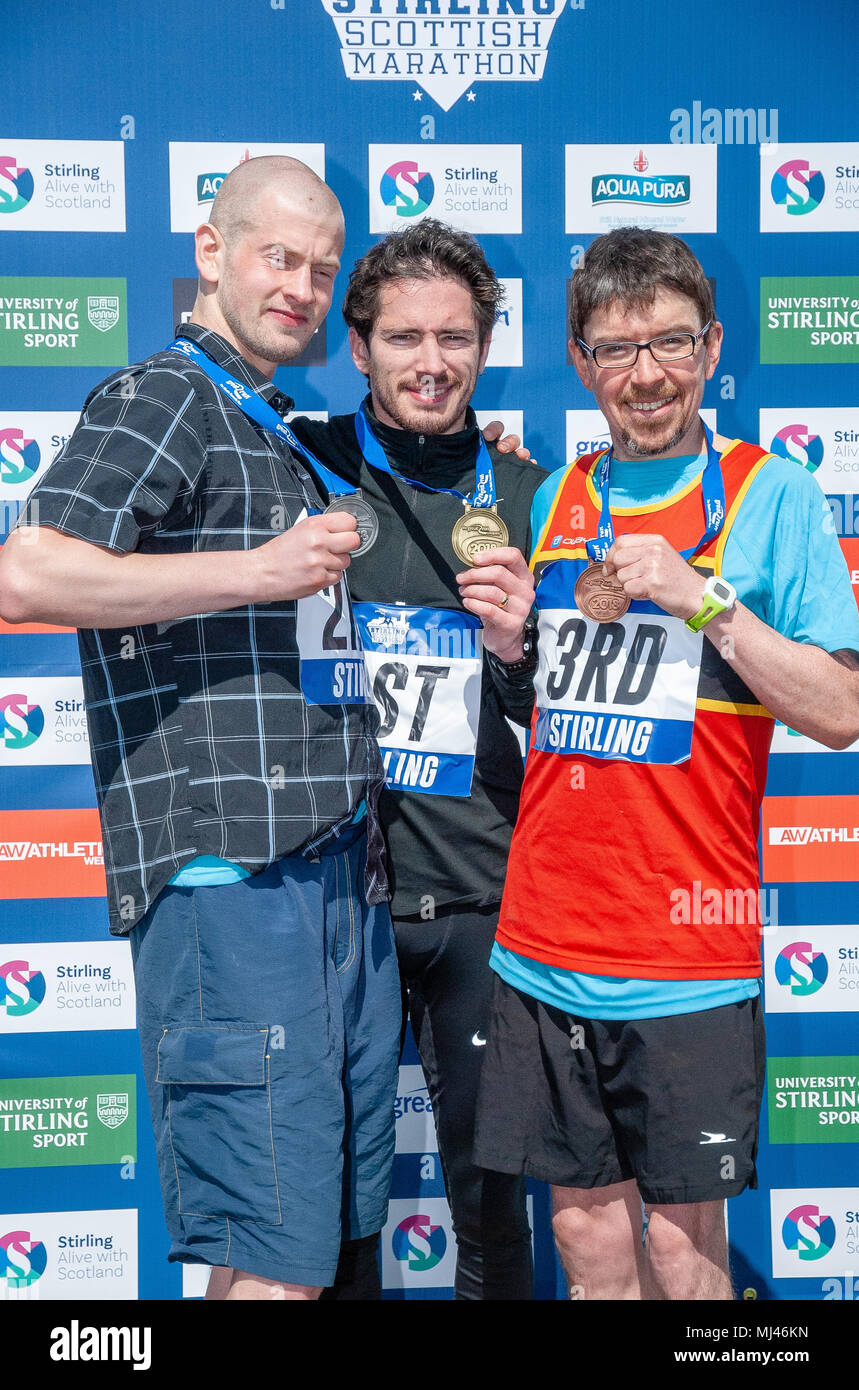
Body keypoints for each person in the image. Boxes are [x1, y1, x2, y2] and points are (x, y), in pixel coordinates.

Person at [0, 156, 403, 1302]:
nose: (303, 288)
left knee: (307, 1250)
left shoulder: (273, 422)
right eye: (280, 258)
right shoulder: (164, 394)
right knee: (269, 1265)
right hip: (233, 878)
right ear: (211, 251)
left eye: (323, 270)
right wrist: (259, 570)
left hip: (332, 871)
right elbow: (28, 574)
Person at [473, 227, 859, 1300]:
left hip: (685, 948)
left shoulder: (772, 494)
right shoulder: (553, 498)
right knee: (590, 1247)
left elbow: (840, 712)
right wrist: (512, 649)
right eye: (613, 349)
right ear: (581, 360)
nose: (644, 375)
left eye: (669, 343)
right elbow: (548, 704)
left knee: (686, 1255)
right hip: (543, 937)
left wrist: (705, 597)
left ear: (712, 346)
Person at [288, 218, 545, 1299]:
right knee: (333, 1205)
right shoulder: (294, 461)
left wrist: (522, 647)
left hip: (482, 895)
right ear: (359, 346)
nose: (430, 362)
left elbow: (574, 716)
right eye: (403, 338)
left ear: (485, 346)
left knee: (491, 1201)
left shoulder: (535, 500)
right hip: (327, 894)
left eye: (454, 337)